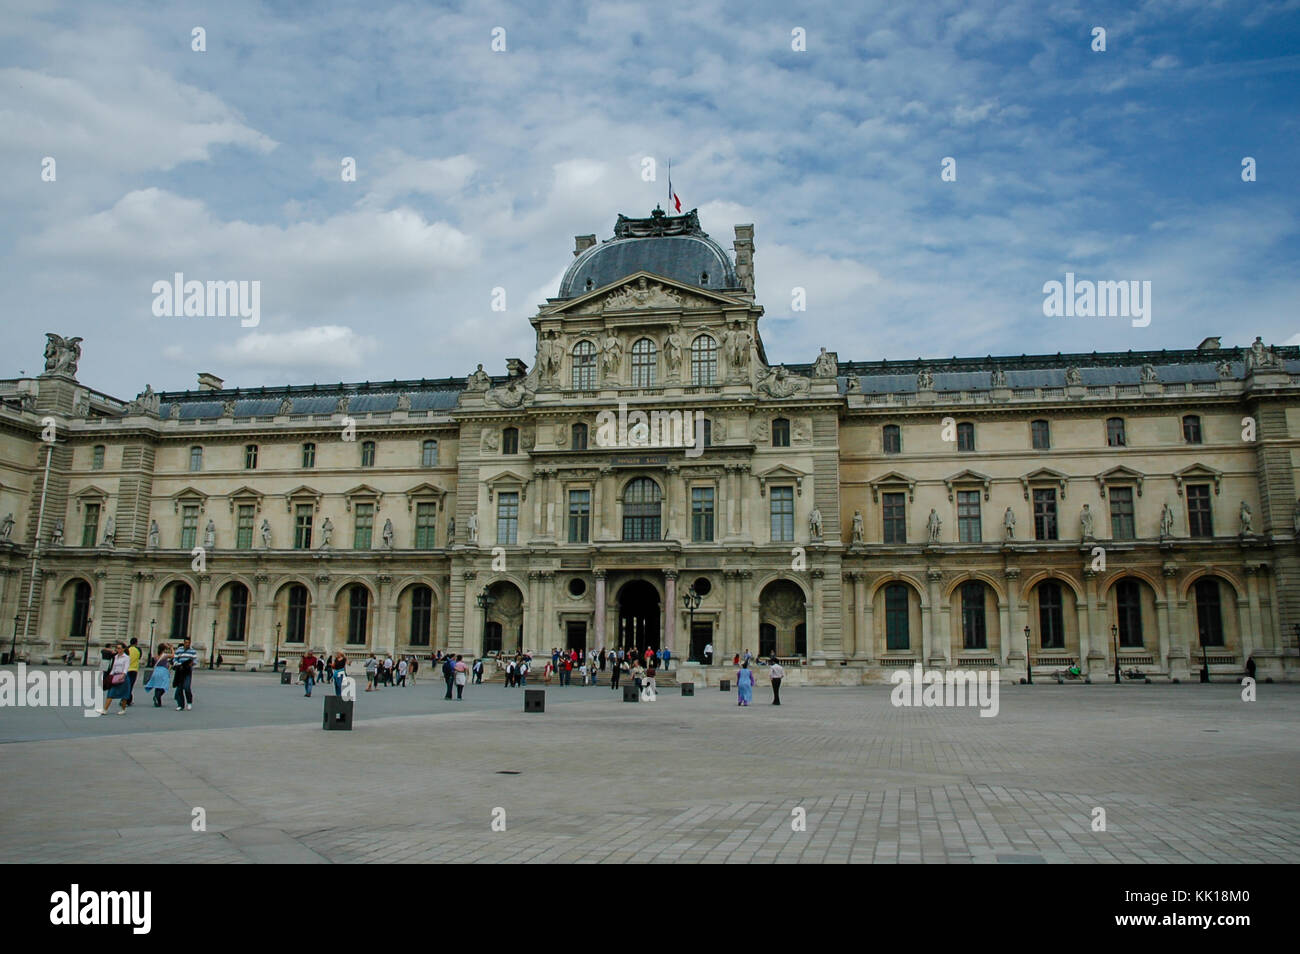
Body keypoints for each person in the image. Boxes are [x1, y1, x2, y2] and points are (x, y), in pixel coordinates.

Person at [101, 642, 131, 715]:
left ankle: (123, 709)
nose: (118, 650)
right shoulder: (115, 657)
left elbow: (126, 667)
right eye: (117, 648)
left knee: (124, 694)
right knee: (111, 693)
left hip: (123, 677)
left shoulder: (126, 657)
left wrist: (123, 675)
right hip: (115, 676)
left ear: (123, 649)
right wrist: (110, 676)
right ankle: (105, 709)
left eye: (119, 648)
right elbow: (113, 667)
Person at [172, 637, 198, 710]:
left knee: (187, 687)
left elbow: (195, 660)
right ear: (184, 643)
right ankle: (180, 705)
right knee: (179, 688)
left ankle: (189, 702)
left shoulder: (192, 651)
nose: (187, 644)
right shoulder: (179, 650)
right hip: (180, 671)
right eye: (186, 643)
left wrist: (192, 663)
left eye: (188, 643)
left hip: (187, 671)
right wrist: (178, 664)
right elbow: (175, 659)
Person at [144, 643, 172, 707]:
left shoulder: (156, 656)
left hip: (156, 671)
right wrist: (171, 648)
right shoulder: (164, 655)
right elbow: (173, 655)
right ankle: (157, 696)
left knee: (157, 685)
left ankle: (158, 702)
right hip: (163, 672)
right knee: (164, 686)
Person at [125, 637, 142, 706]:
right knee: (131, 685)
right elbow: (140, 657)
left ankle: (126, 699)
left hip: (127, 669)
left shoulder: (127, 649)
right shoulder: (138, 649)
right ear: (136, 642)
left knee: (126, 685)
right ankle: (127, 699)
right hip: (134, 669)